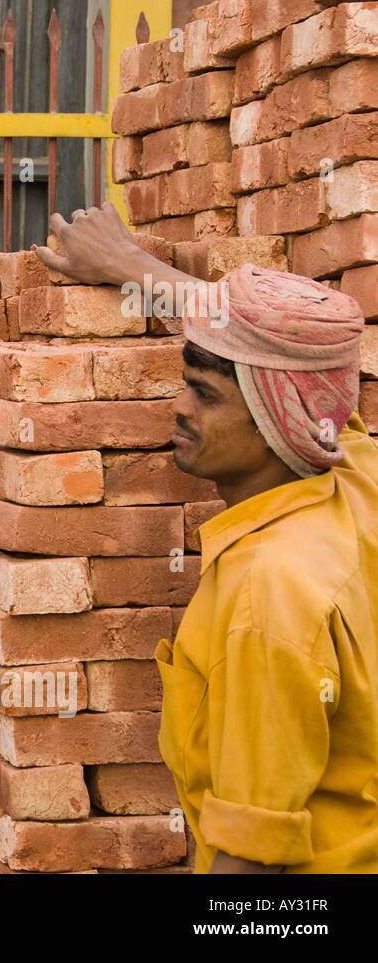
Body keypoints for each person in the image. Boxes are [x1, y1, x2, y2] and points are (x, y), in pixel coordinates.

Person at [38, 203, 378, 874]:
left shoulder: (266, 595)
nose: (180, 408)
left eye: (204, 394)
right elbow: (289, 353)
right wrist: (130, 268)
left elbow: (251, 862)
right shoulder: (353, 468)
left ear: (274, 417)